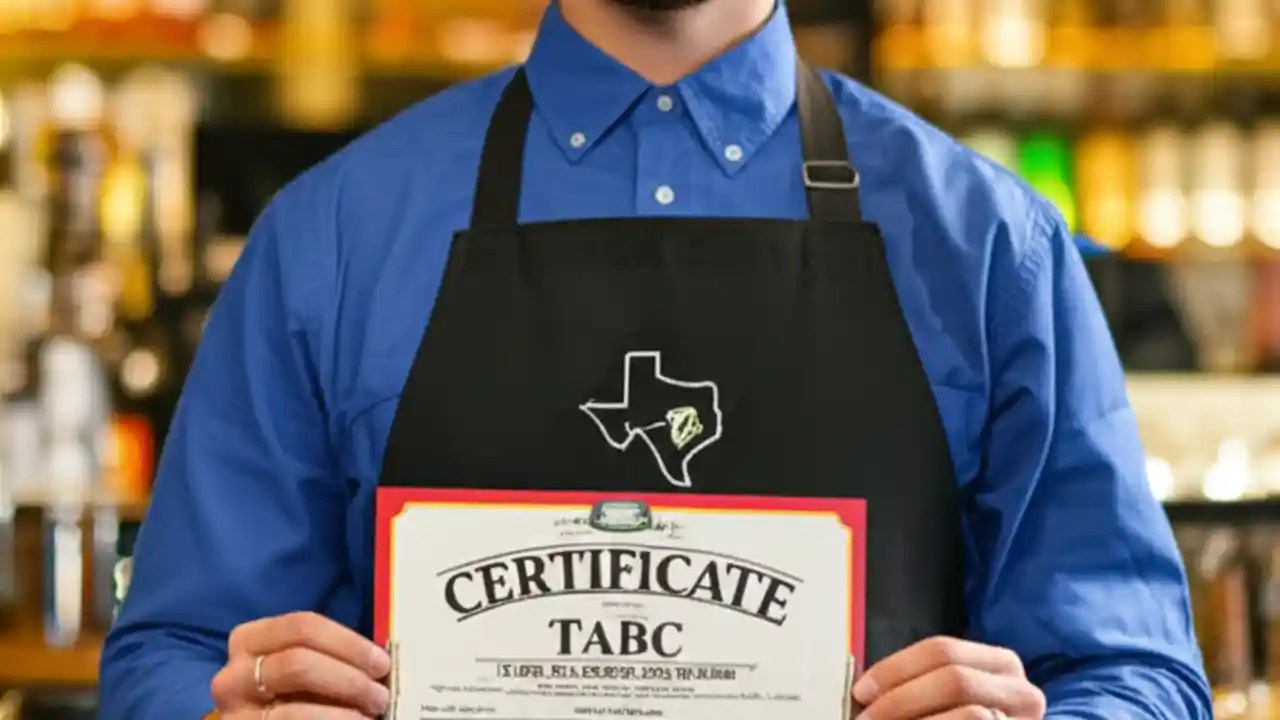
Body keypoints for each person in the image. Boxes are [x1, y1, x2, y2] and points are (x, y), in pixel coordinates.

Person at [100, 1, 1213, 718]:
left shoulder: (987, 245)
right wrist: (227, 704)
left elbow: (1140, 679)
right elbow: (167, 656)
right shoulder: (334, 234)